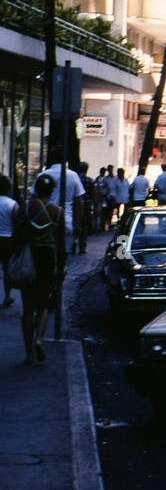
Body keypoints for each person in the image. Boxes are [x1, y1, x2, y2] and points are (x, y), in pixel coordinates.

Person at [20, 173, 66, 364]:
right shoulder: (58, 212)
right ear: (52, 190)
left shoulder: (26, 208)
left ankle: (29, 353)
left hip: (29, 259)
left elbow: (19, 234)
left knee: (28, 308)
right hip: (47, 260)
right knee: (43, 305)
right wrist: (62, 266)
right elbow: (61, 244)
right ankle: (39, 339)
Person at [41, 147, 86, 255]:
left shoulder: (43, 176)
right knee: (63, 255)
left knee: (46, 255)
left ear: (51, 158)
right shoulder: (73, 176)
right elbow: (79, 202)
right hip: (67, 221)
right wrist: (78, 224)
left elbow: (34, 199)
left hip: (45, 222)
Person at [0, 174, 19, 308]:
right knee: (7, 269)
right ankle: (7, 296)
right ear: (8, 189)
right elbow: (17, 224)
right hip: (7, 239)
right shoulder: (12, 204)